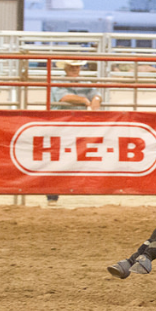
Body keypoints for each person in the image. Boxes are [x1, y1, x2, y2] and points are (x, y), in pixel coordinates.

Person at [47, 60, 102, 206]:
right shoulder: (59, 82)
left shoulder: (86, 82)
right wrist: (85, 100)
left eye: (76, 66)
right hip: (61, 125)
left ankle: (75, 190)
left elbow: (96, 94)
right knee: (57, 159)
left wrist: (96, 99)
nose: (74, 69)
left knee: (69, 158)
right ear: (65, 68)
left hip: (77, 125)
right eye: (71, 67)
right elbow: (64, 98)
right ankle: (52, 195)